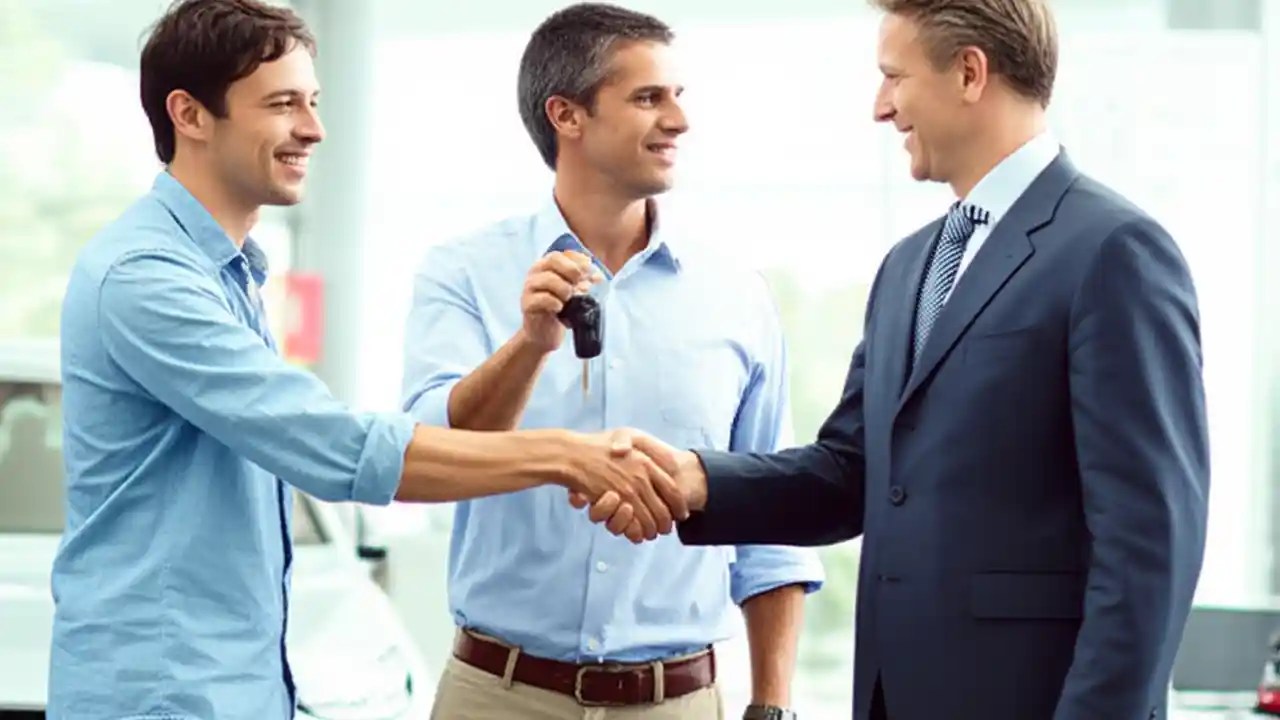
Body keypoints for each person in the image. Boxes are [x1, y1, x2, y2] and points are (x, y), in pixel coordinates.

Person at [49, 1, 685, 718]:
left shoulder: (226, 275)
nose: (314, 129)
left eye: (313, 102)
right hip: (162, 699)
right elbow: (333, 447)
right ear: (190, 115)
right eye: (283, 105)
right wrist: (569, 456)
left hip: (234, 692)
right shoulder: (146, 278)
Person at [593, 1, 1212, 718]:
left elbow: (1148, 549)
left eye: (894, 76)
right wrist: (697, 480)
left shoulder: (1114, 251)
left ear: (970, 73)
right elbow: (853, 473)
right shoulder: (908, 266)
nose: (881, 107)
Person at [400, 4, 824, 719]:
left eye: (678, 96)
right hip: (496, 697)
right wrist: (530, 345)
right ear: (566, 115)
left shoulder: (738, 296)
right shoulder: (463, 272)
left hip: (678, 701)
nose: (679, 121)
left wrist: (773, 705)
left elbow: (772, 519)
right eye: (649, 97)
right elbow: (431, 459)